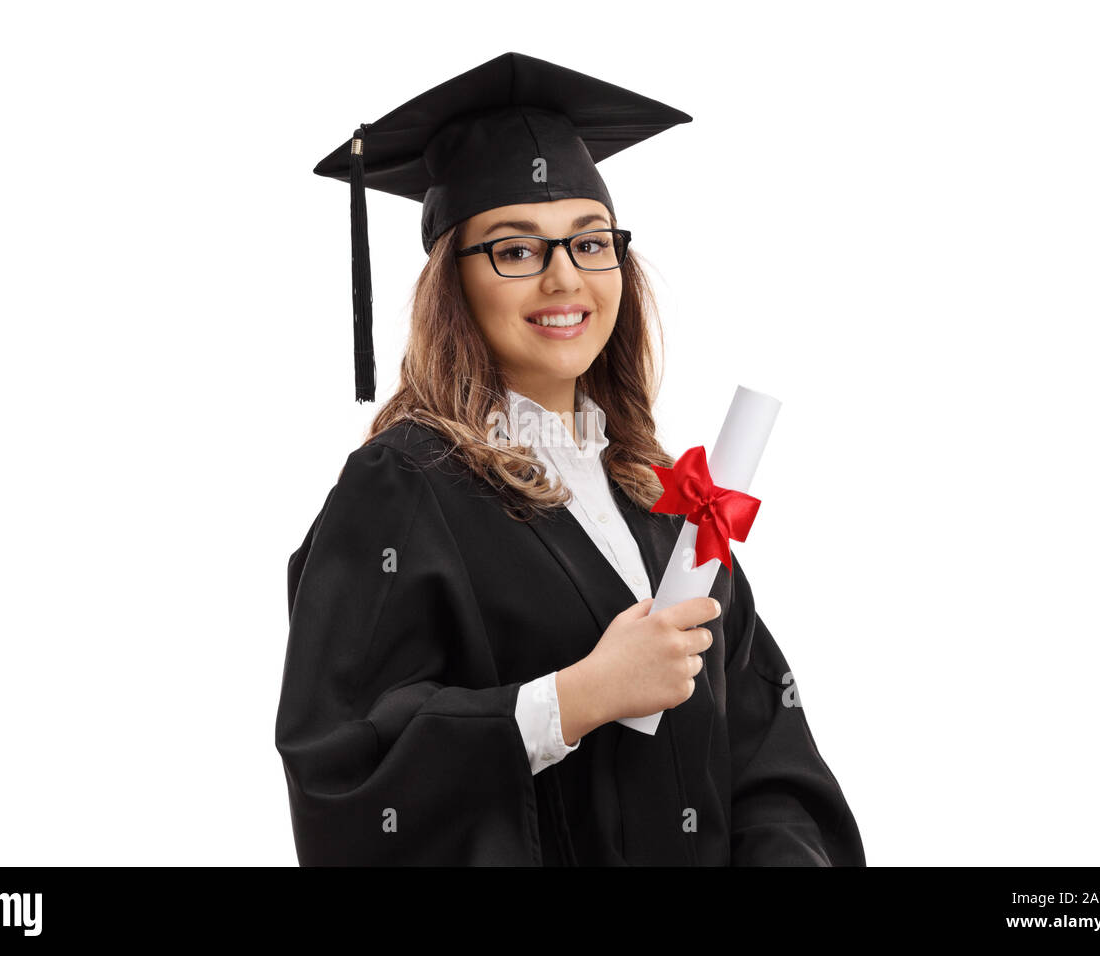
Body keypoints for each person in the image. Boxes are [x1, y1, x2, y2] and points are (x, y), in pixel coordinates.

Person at [274, 51, 866, 866]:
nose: (564, 278)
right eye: (516, 251)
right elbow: (345, 771)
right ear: (455, 282)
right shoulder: (403, 487)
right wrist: (576, 698)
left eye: (590, 243)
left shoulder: (664, 499)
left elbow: (769, 758)